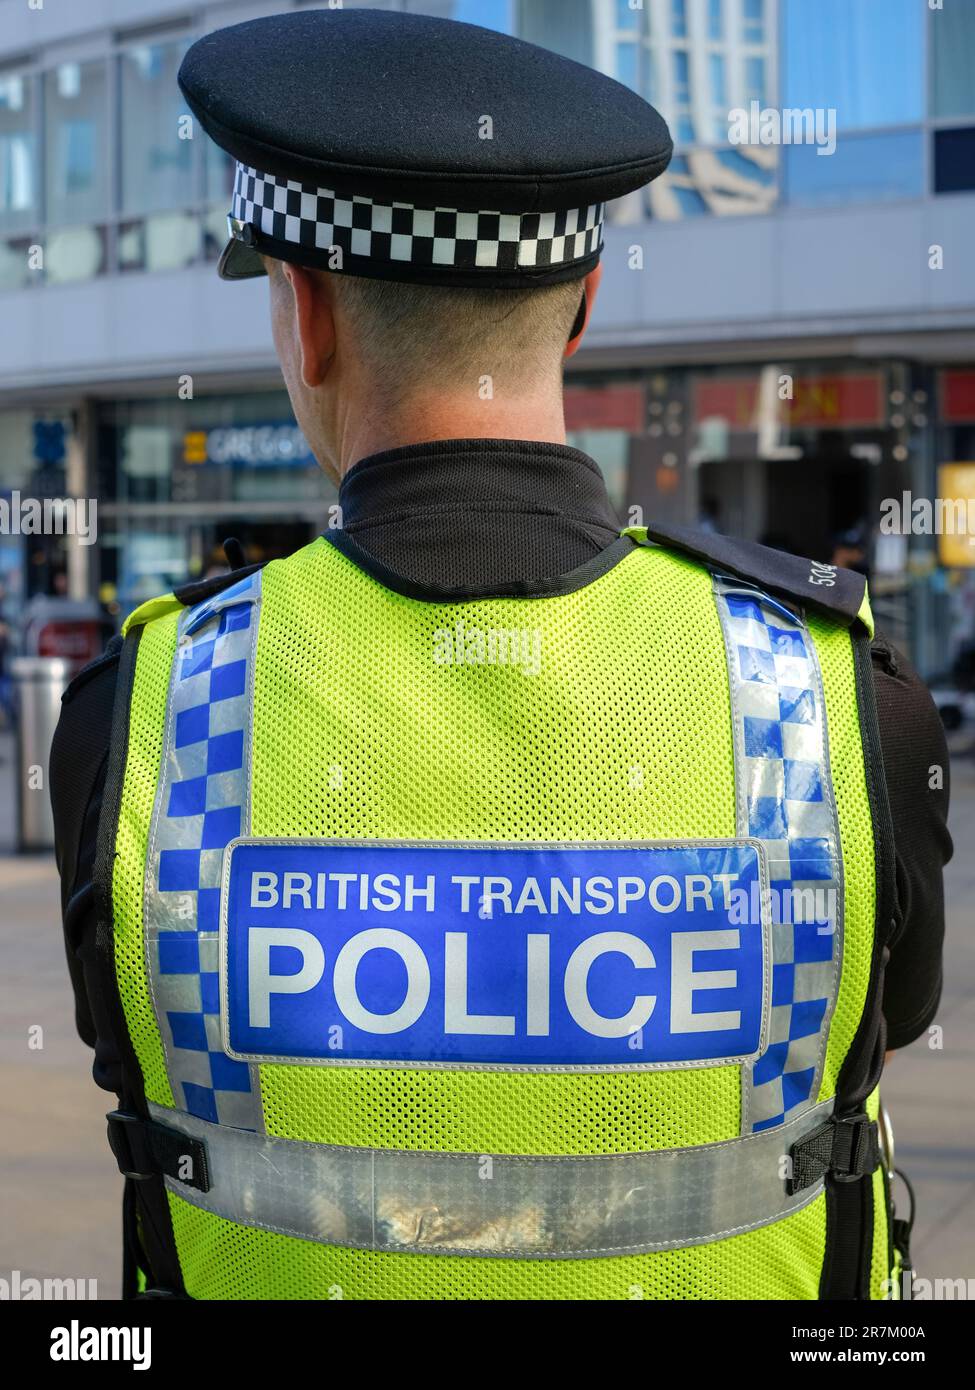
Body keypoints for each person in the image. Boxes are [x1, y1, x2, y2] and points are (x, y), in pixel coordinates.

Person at [50, 7, 951, 1302]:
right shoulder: (838, 696)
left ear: (305, 317)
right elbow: (889, 1021)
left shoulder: (143, 713)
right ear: (581, 307)